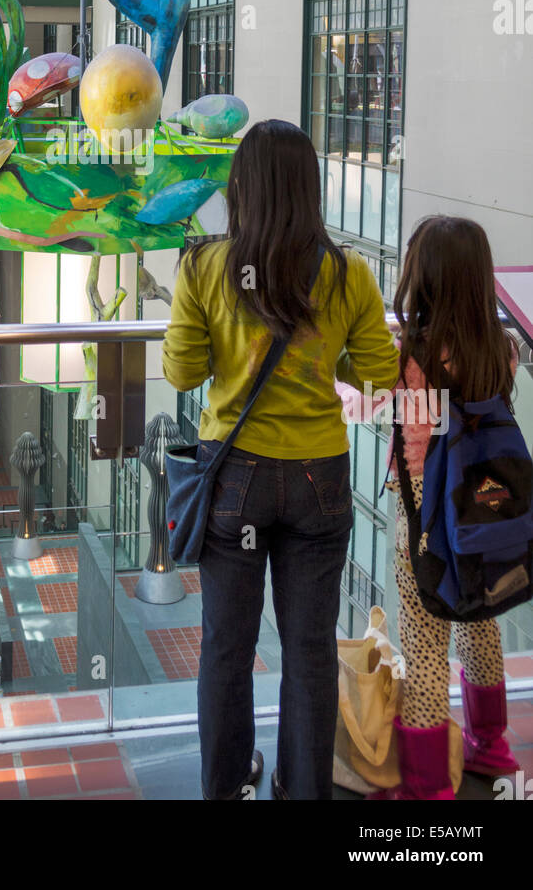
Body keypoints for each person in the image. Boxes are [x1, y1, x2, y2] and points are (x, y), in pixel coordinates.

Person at [162, 119, 399, 800]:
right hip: (319, 481)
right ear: (309, 189)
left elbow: (181, 372)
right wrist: (330, 354)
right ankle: (304, 790)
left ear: (242, 188)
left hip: (234, 482)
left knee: (227, 650)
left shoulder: (206, 266)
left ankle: (228, 784)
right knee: (312, 650)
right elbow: (380, 380)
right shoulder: (348, 272)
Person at [371, 216, 519, 800]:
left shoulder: (410, 351)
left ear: (423, 276)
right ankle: (493, 747)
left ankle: (428, 785)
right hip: (486, 508)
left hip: (423, 514)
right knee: (482, 624)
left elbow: (372, 391)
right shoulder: (501, 346)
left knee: (426, 639)